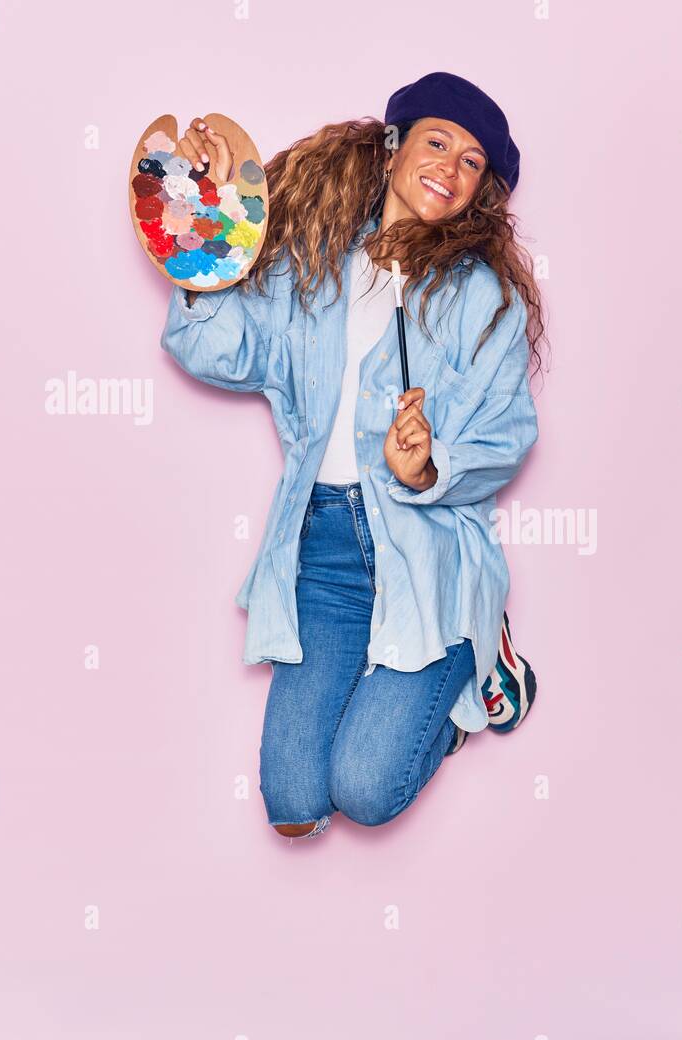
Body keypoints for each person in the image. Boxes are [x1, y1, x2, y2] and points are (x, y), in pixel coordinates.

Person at [160, 72, 547, 840]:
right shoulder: (314, 263)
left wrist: (430, 467)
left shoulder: (482, 298)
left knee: (364, 793)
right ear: (395, 146)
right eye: (438, 142)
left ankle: (477, 663)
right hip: (323, 551)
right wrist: (205, 220)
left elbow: (508, 436)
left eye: (474, 162)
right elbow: (220, 350)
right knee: (295, 805)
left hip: (424, 548)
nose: (452, 167)